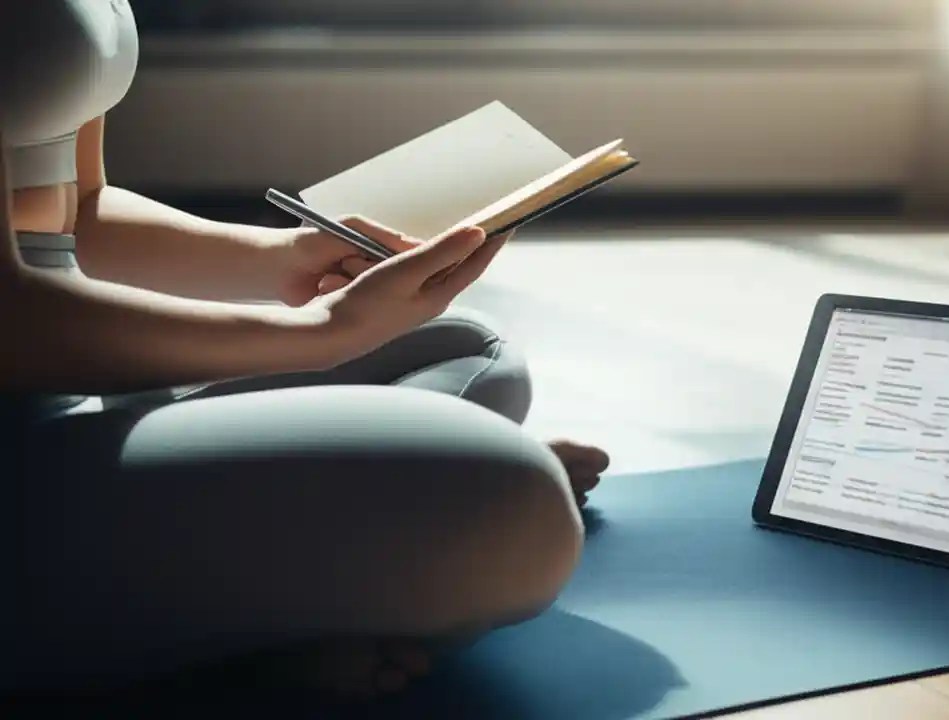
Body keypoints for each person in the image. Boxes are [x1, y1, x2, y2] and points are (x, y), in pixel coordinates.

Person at [0, 0, 608, 697]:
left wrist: (287, 260)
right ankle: (226, 650)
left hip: (76, 402)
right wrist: (321, 334)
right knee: (517, 499)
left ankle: (335, 550)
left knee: (469, 349)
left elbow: (78, 211)